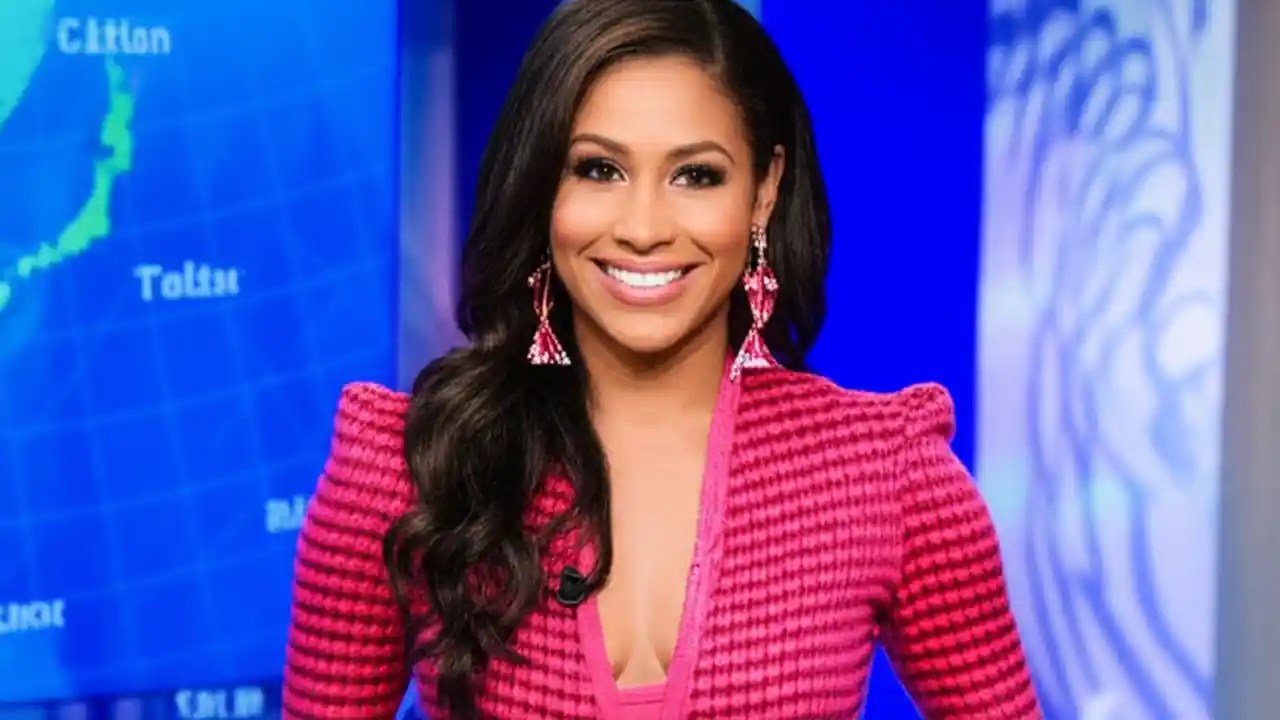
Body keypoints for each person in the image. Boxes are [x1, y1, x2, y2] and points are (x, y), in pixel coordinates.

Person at [281, 0, 1042, 717]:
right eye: (598, 170)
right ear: (542, 185)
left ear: (764, 192)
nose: (643, 227)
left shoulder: (887, 474)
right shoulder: (403, 465)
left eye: (696, 175)